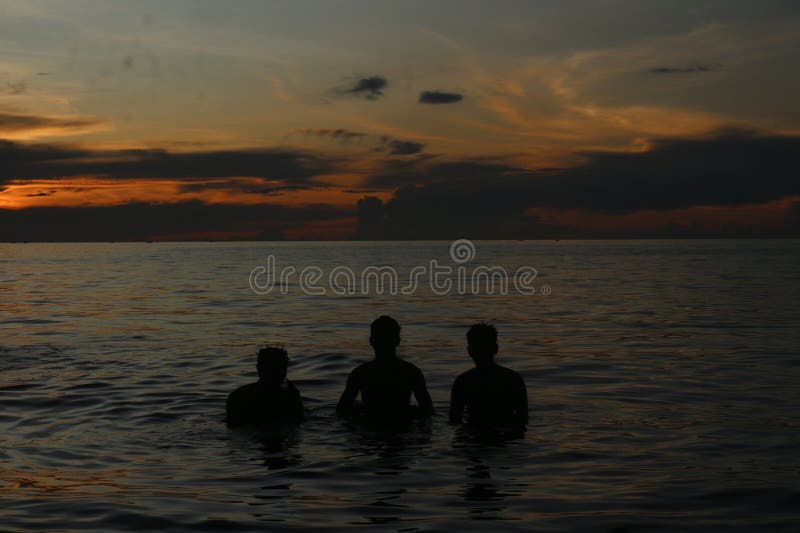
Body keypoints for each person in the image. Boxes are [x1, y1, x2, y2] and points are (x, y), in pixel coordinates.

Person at [336, 315, 433, 424]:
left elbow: (342, 411)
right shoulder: (411, 372)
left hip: (370, 431)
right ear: (398, 341)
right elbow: (428, 411)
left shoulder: (360, 373)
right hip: (401, 429)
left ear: (371, 341)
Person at [449, 323, 528, 430]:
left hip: (473, 437)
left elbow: (454, 420)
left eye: (483, 346)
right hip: (504, 439)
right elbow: (523, 418)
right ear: (495, 349)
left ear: (469, 351)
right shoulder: (512, 379)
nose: (481, 350)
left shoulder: (463, 381)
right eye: (478, 346)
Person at [226, 346, 304, 427]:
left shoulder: (238, 395)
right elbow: (299, 422)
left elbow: (231, 425)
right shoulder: (289, 397)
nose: (275, 373)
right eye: (272, 369)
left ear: (258, 368)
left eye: (279, 369)